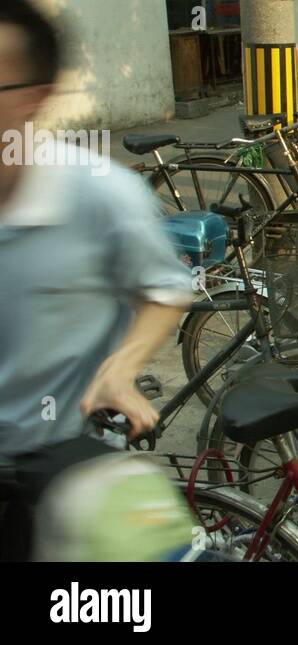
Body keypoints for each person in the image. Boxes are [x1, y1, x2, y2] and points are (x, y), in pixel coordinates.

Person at [0, 0, 201, 561]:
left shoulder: (98, 194)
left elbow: (164, 287)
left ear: (36, 95)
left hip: (65, 481)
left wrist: (120, 369)